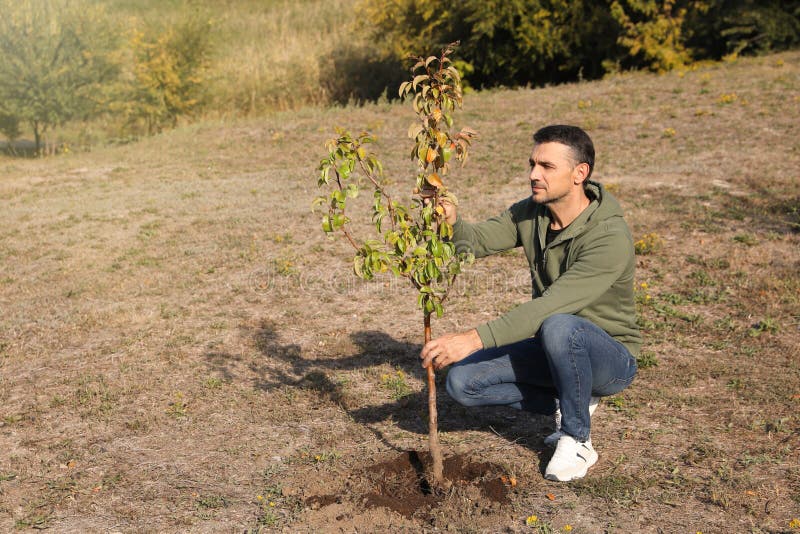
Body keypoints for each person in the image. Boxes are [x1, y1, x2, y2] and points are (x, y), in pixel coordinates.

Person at [420, 124, 641, 481]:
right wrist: (452, 221)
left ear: (579, 174)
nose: (533, 174)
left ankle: (576, 438)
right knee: (462, 382)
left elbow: (549, 307)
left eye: (546, 166)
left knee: (558, 324)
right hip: (552, 345)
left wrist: (472, 339)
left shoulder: (609, 236)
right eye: (532, 164)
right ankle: (572, 398)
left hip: (609, 358)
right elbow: (474, 242)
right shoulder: (531, 213)